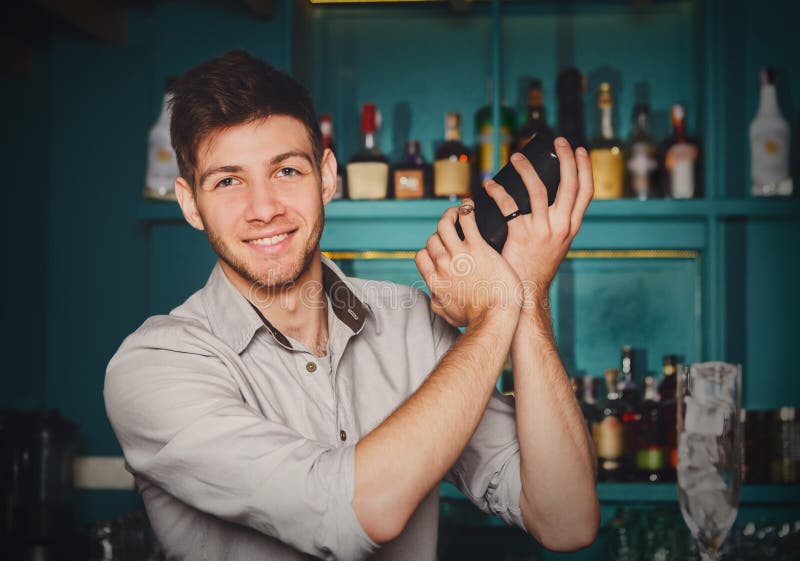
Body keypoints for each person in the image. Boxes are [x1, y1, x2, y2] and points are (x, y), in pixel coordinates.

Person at [104, 50, 598, 561]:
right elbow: (352, 514)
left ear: (326, 177)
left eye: (286, 171)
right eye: (228, 181)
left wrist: (527, 293)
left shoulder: (414, 326)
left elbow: (567, 521)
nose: (264, 208)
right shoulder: (154, 367)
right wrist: (497, 311)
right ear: (190, 203)